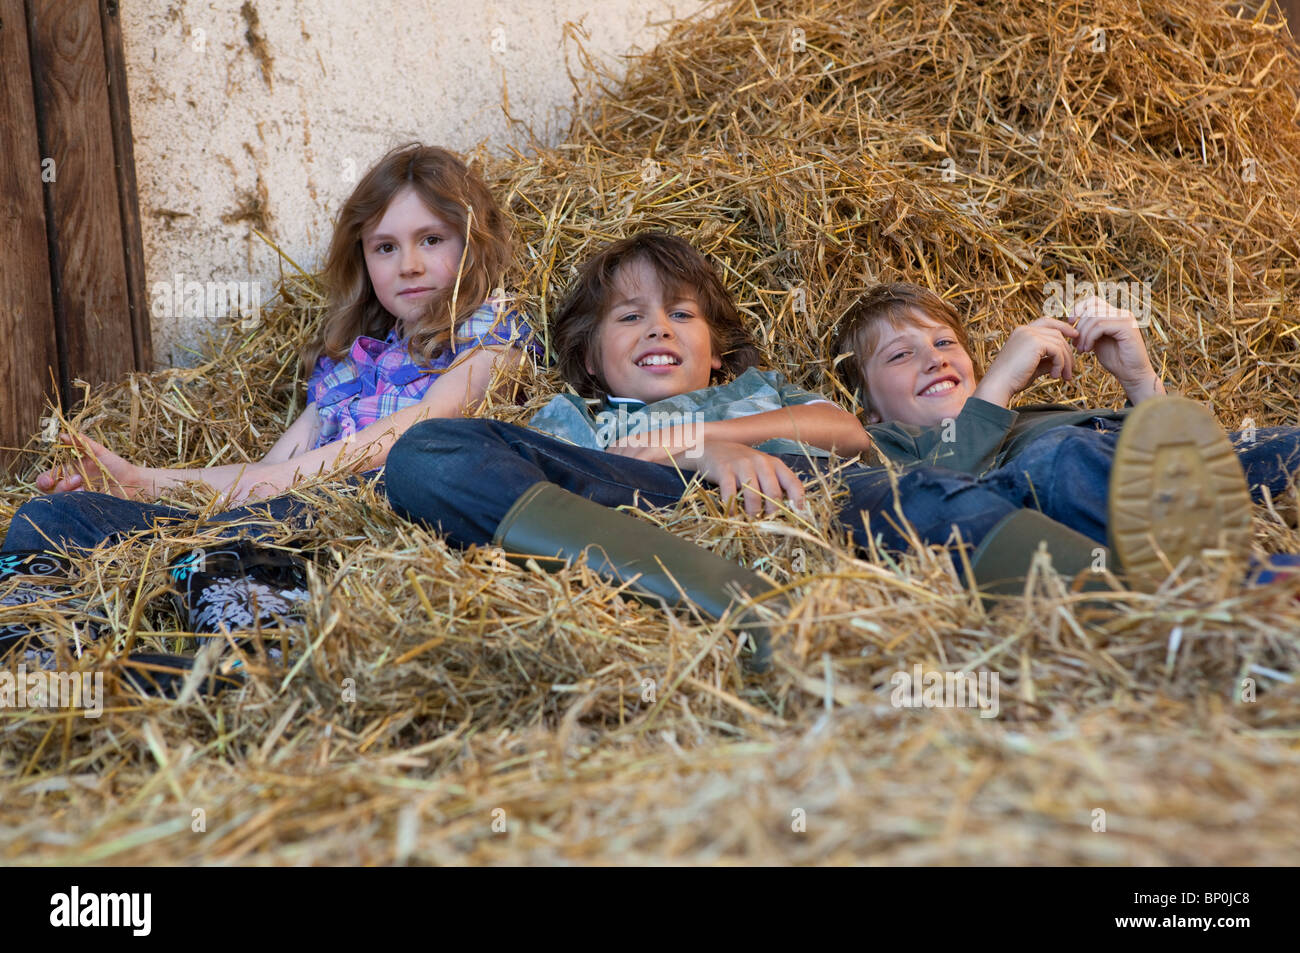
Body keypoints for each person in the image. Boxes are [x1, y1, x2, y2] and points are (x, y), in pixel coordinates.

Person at [381, 234, 1221, 671]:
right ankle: (752, 611)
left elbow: (846, 430)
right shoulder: (575, 417)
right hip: (651, 513)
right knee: (428, 453)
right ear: (592, 358)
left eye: (681, 314)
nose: (659, 328)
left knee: (918, 495)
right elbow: (615, 450)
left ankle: (1151, 621)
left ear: (717, 352)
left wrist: (723, 432)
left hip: (813, 503)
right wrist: (701, 456)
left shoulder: (765, 394)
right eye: (629, 318)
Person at [1, 144, 535, 683]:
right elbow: (263, 473)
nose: (409, 264)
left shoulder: (491, 332)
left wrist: (287, 483)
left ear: (474, 242)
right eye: (385, 247)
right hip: (281, 507)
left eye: (432, 239)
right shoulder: (351, 366)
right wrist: (143, 482)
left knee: (234, 545)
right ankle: (39, 672)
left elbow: (431, 421)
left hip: (366, 524)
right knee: (54, 518)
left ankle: (241, 680)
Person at [835, 281, 1299, 580]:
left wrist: (1139, 381)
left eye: (943, 342)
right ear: (868, 407)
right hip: (1091, 493)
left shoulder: (1038, 415)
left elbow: (1201, 452)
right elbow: (941, 496)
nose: (934, 358)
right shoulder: (882, 446)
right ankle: (1249, 581)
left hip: (1173, 481)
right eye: (900, 354)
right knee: (1060, 457)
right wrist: (998, 384)